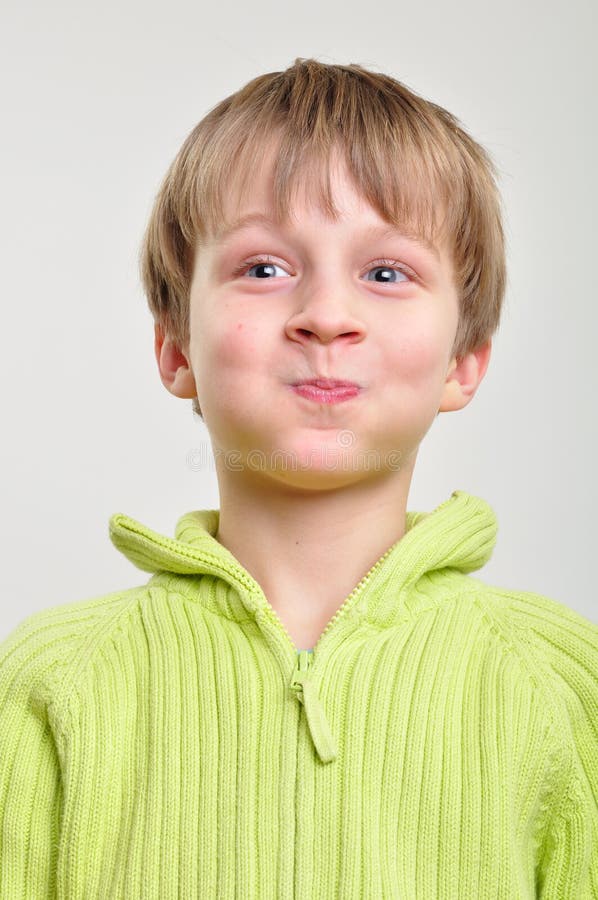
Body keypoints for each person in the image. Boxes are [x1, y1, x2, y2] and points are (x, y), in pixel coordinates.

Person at [1, 58, 596, 899]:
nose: (326, 314)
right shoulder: (50, 682)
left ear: (464, 362)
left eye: (386, 273)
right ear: (177, 349)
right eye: (265, 269)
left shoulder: (562, 680)